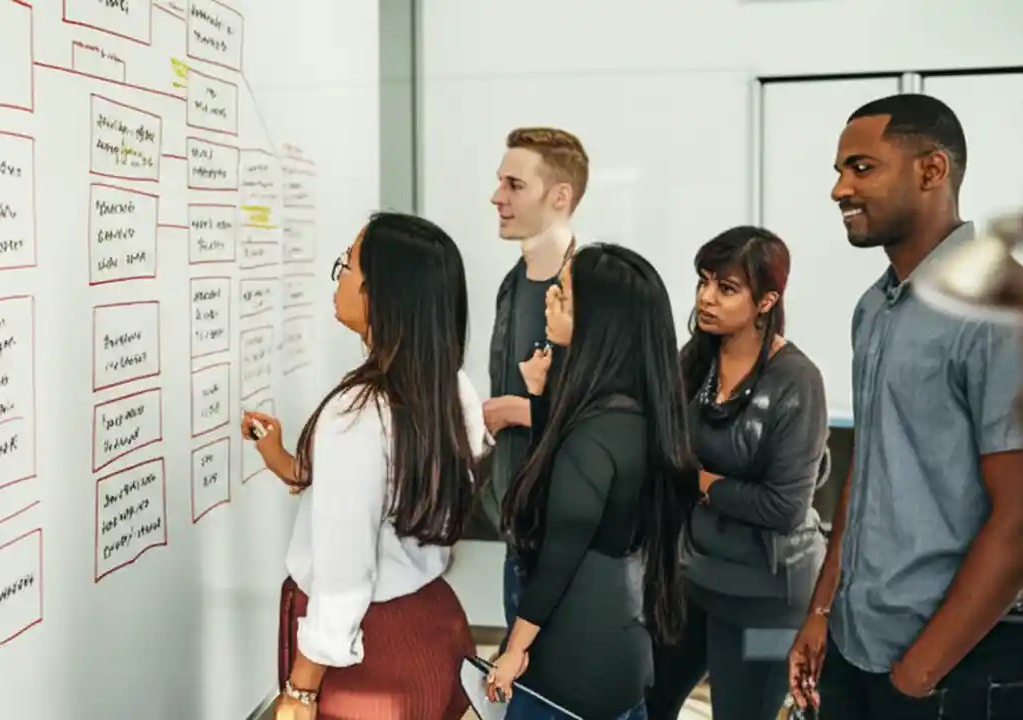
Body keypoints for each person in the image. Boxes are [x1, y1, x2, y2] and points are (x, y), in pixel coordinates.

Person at [787, 93, 1023, 719]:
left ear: (931, 171)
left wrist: (918, 675)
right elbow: (868, 472)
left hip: (958, 662)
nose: (839, 189)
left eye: (861, 167)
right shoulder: (875, 307)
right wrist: (822, 611)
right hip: (858, 644)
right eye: (840, 170)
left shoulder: (1000, 305)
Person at [241, 212, 488, 720]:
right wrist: (286, 461)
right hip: (432, 625)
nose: (340, 279)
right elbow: (400, 492)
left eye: (348, 266)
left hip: (366, 653)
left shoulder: (357, 415)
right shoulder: (447, 385)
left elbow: (345, 573)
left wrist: (302, 689)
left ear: (383, 292)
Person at [484, 243, 696, 720]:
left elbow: (561, 551)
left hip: (570, 669)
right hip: (619, 652)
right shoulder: (634, 413)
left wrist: (514, 649)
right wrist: (540, 398)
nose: (549, 299)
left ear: (599, 322)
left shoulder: (597, 433)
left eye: (562, 294)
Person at [646, 227, 830, 720]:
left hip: (768, 597)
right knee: (647, 699)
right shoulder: (695, 358)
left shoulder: (797, 381)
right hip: (694, 575)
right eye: (703, 281)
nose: (706, 298)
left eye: (726, 288)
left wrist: (702, 484)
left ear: (767, 300)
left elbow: (785, 508)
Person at [483, 126, 588, 633]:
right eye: (499, 183)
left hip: (570, 545)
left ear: (560, 196)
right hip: (516, 529)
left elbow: (613, 420)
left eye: (514, 185)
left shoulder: (593, 292)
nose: (497, 197)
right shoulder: (511, 285)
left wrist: (515, 410)